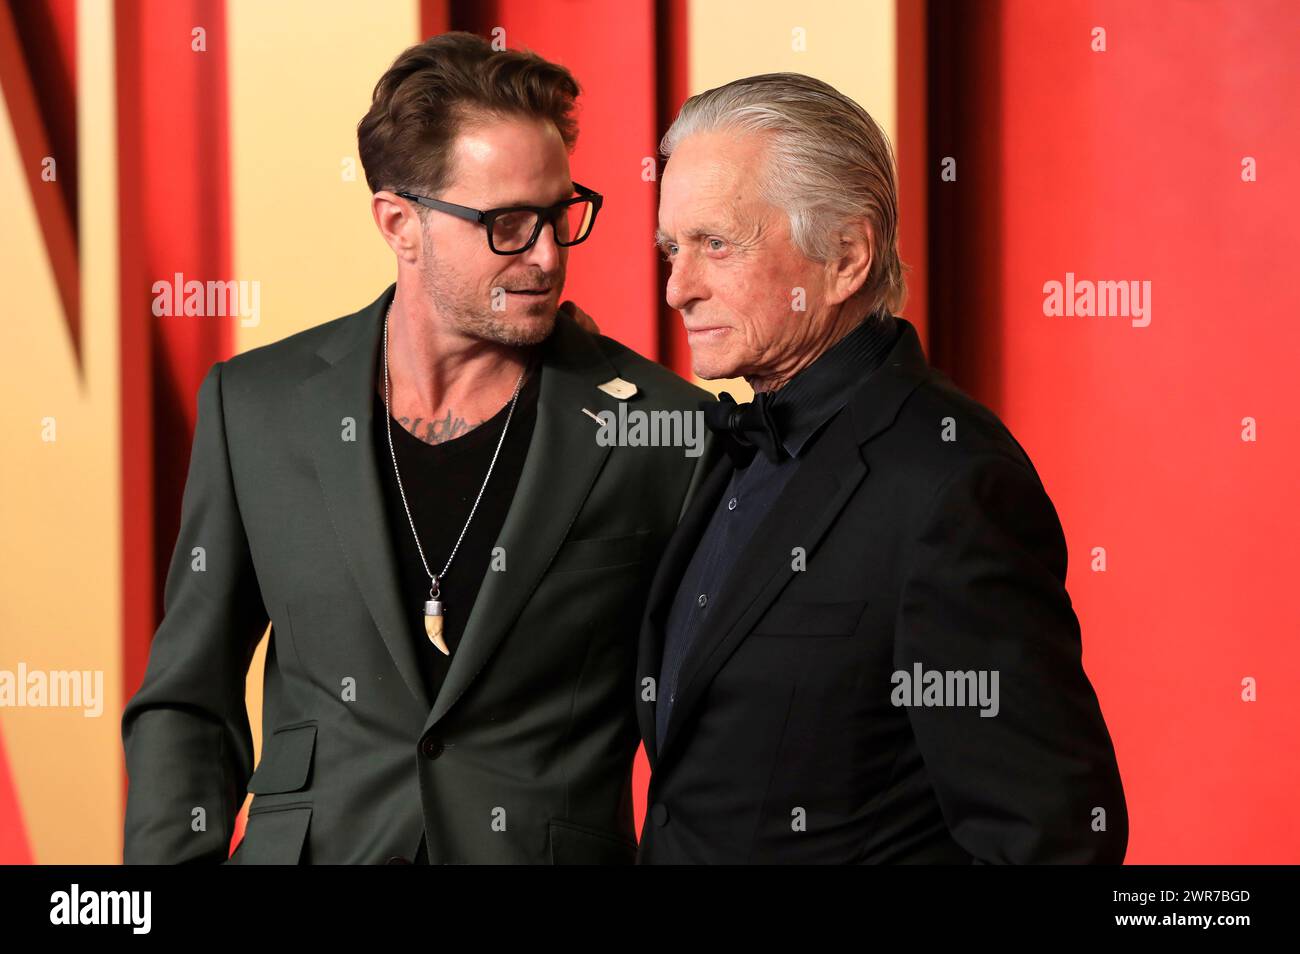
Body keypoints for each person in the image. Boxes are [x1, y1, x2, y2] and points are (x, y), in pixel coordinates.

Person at [122, 32, 711, 865]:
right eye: (506, 224)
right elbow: (188, 698)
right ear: (399, 222)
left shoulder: (667, 431)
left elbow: (708, 734)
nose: (545, 255)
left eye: (558, 214)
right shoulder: (254, 408)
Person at [636, 72, 1128, 864]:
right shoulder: (724, 450)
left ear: (846, 256)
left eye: (716, 244)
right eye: (671, 247)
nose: (677, 288)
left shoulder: (951, 485)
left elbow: (1047, 840)